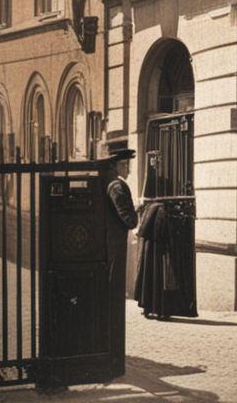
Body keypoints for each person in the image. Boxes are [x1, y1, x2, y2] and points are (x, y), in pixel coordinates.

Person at [100, 146, 138, 378]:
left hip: (110, 244)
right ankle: (112, 354)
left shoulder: (110, 182)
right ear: (119, 164)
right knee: (114, 294)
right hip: (115, 246)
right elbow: (129, 219)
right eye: (127, 163)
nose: (129, 166)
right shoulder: (117, 185)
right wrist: (135, 212)